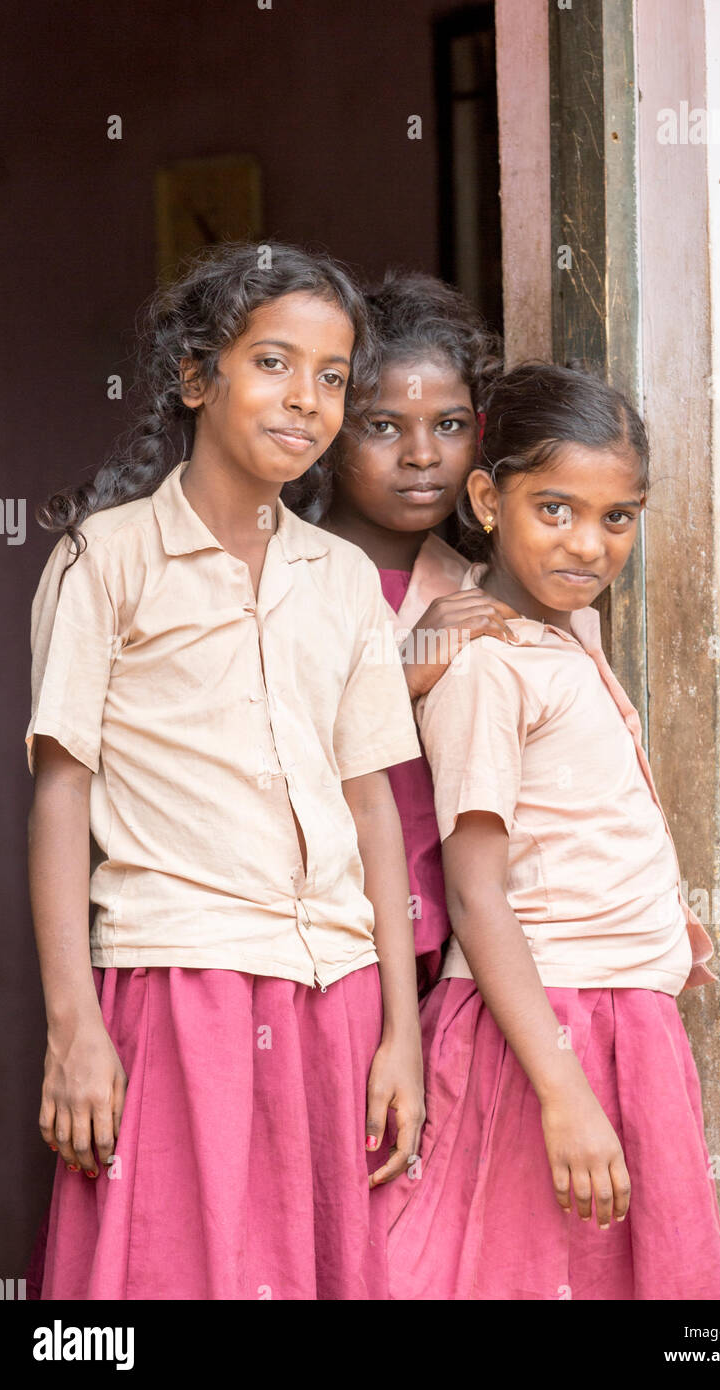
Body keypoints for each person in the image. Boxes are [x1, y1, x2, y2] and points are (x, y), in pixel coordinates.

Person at [25, 241, 424, 1300]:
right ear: (197, 377)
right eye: (273, 363)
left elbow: (369, 804)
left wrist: (400, 1032)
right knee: (168, 1272)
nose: (306, 399)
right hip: (177, 982)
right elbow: (62, 794)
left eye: (332, 377)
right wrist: (74, 1028)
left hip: (329, 998)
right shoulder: (103, 560)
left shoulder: (342, 582)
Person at [386, 363, 720, 1300]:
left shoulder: (569, 634)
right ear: (487, 499)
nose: (588, 543)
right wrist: (563, 1088)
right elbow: (475, 891)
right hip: (537, 1029)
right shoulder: (486, 667)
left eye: (617, 516)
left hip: (622, 1016)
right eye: (555, 510)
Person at [287, 272, 516, 992]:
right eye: (384, 426)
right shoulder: (281, 577)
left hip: (458, 955)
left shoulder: (482, 588)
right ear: (328, 431)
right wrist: (404, 667)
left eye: (448, 425)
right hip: (326, 945)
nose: (422, 455)